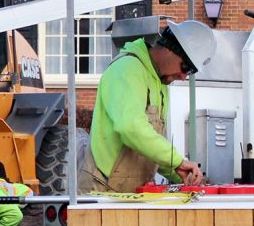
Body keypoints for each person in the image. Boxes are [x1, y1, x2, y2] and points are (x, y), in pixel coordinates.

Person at [78, 19, 215, 194]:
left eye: (190, 72)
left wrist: (178, 171)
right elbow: (131, 128)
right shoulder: (127, 69)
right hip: (101, 188)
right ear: (169, 48)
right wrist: (177, 161)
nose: (183, 77)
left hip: (130, 192)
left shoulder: (159, 82)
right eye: (185, 67)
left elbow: (148, 145)